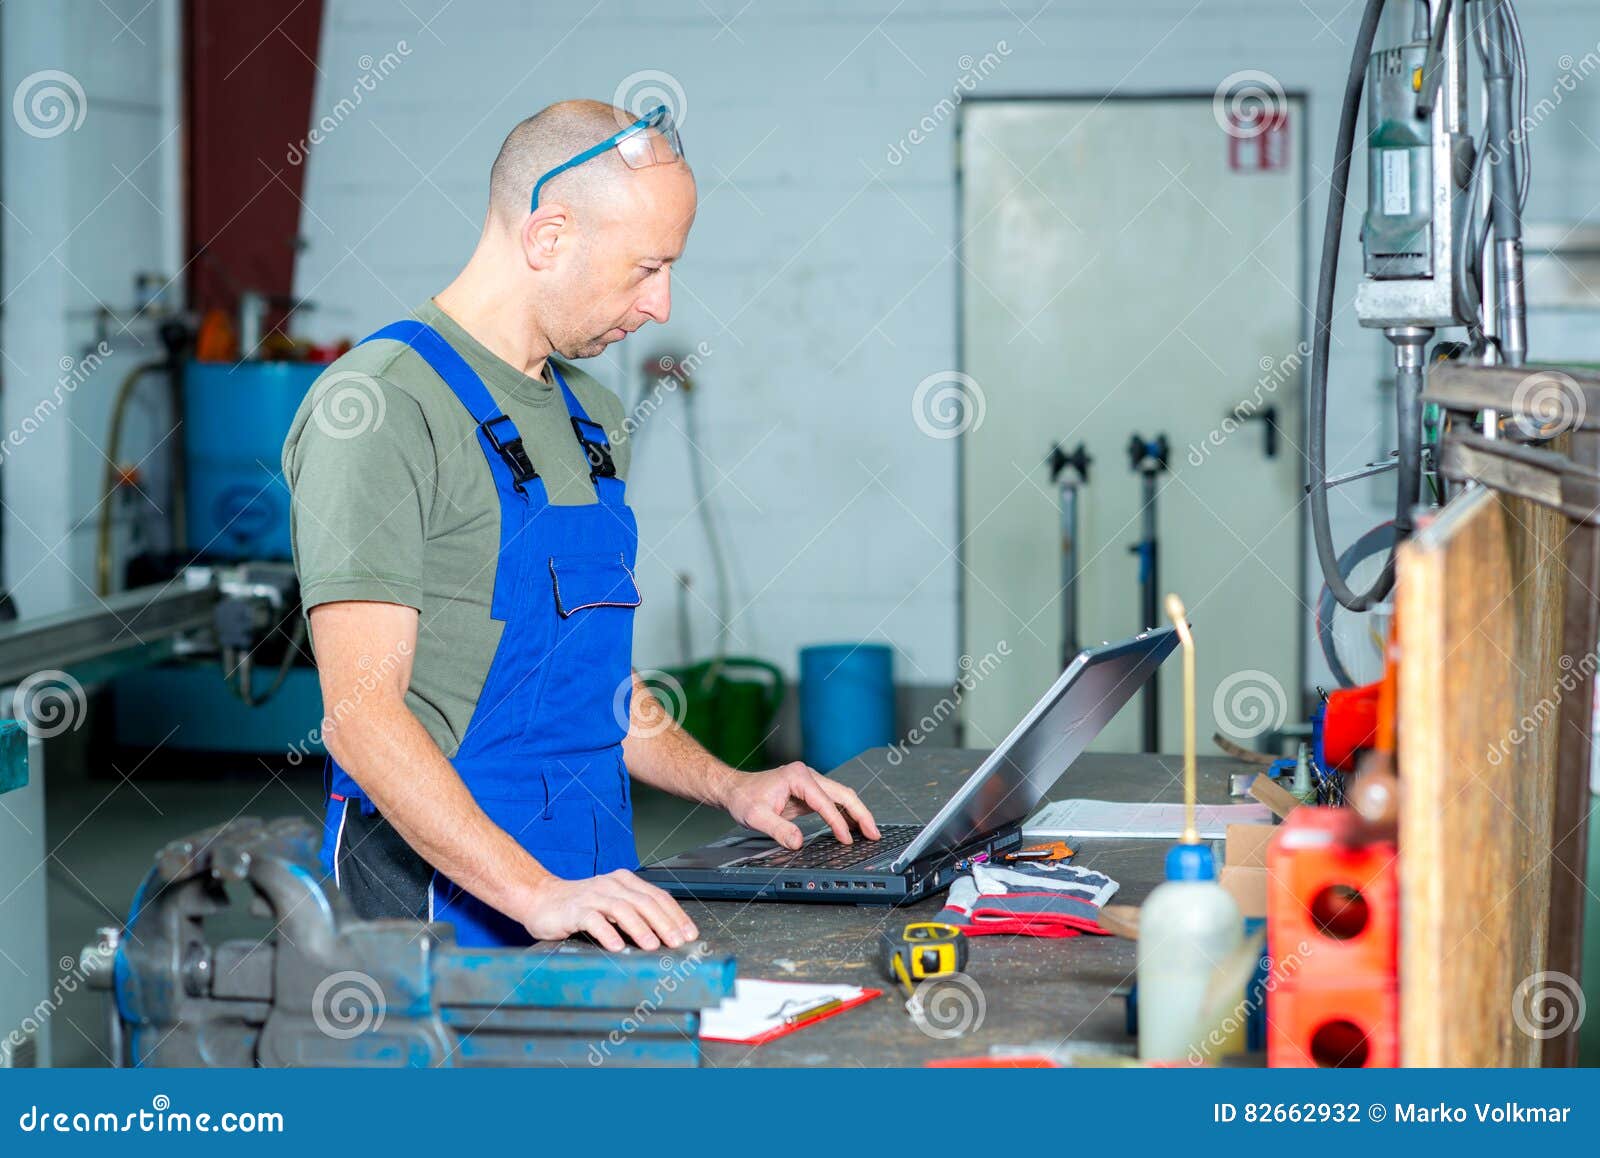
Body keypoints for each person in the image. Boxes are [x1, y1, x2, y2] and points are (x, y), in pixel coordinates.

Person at [283, 100, 879, 951]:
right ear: (548, 237)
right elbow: (360, 717)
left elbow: (588, 687)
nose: (663, 303)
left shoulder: (590, 418)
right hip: (437, 903)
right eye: (646, 268)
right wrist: (533, 894)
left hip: (592, 877)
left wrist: (729, 787)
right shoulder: (381, 406)